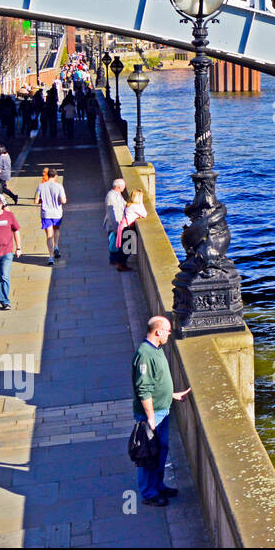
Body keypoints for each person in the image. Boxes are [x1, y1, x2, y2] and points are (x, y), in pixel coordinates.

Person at [131, 316, 191, 506]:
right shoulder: (145, 355)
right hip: (153, 414)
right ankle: (149, 493)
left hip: (162, 410)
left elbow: (156, 383)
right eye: (167, 330)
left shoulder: (156, 350)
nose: (169, 333)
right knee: (147, 453)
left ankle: (158, 485)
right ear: (157, 332)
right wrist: (150, 418)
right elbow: (144, 388)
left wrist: (171, 395)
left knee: (161, 450)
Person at [34, 166, 66, 265]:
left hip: (46, 213)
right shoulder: (59, 186)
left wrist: (41, 200)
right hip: (57, 213)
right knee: (56, 230)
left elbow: (36, 201)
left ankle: (51, 257)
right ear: (56, 176)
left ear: (47, 176)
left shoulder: (41, 186)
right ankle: (56, 246)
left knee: (49, 235)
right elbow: (63, 201)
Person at [104, 178, 128, 270]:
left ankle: (114, 259)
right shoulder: (111, 196)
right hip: (113, 224)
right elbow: (111, 213)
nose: (124, 187)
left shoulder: (117, 194)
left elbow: (124, 204)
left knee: (114, 242)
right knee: (113, 242)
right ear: (118, 187)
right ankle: (114, 260)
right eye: (123, 186)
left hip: (118, 222)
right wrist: (115, 227)